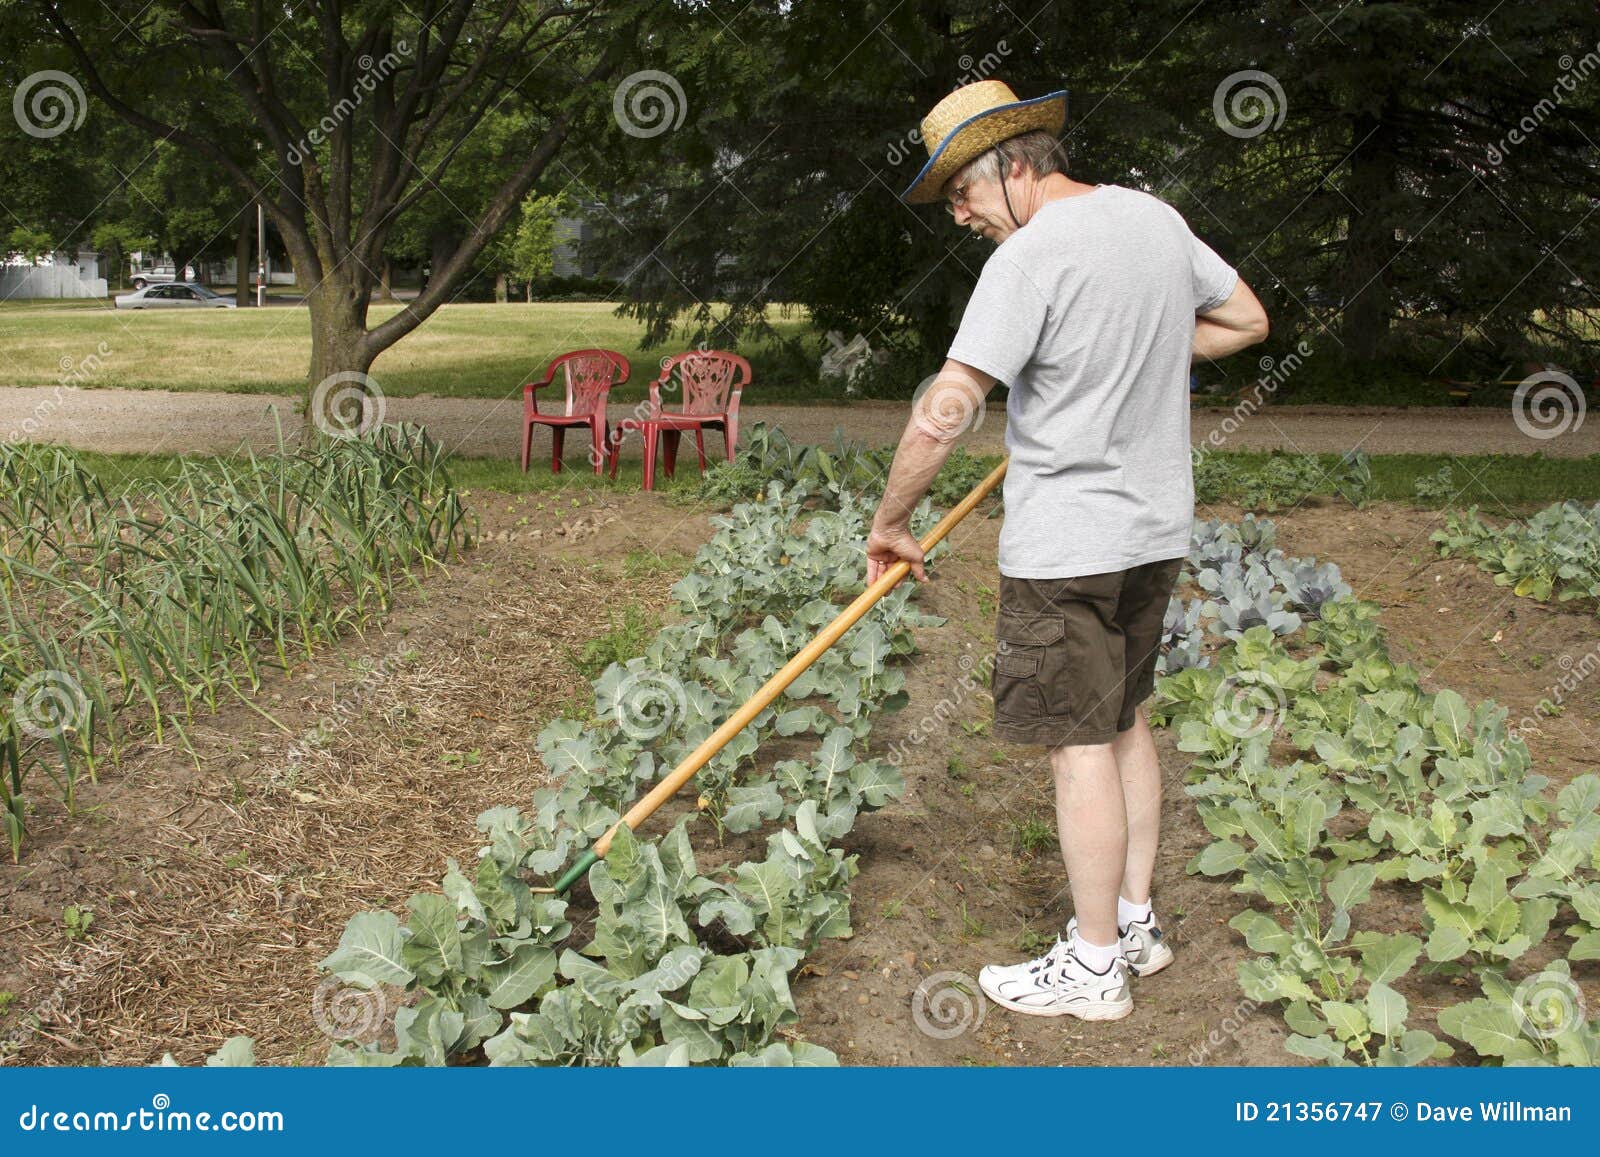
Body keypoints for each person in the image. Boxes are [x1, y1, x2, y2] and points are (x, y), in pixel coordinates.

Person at [866, 80, 1269, 1021]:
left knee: (1076, 741)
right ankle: (1134, 923)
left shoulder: (1029, 259)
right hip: (1153, 533)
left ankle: (1093, 968)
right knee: (1123, 719)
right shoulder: (1156, 220)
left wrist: (891, 520)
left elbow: (947, 408)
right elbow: (1249, 320)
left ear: (1015, 163)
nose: (958, 213)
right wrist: (1136, 354)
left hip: (1066, 550)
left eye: (961, 190)